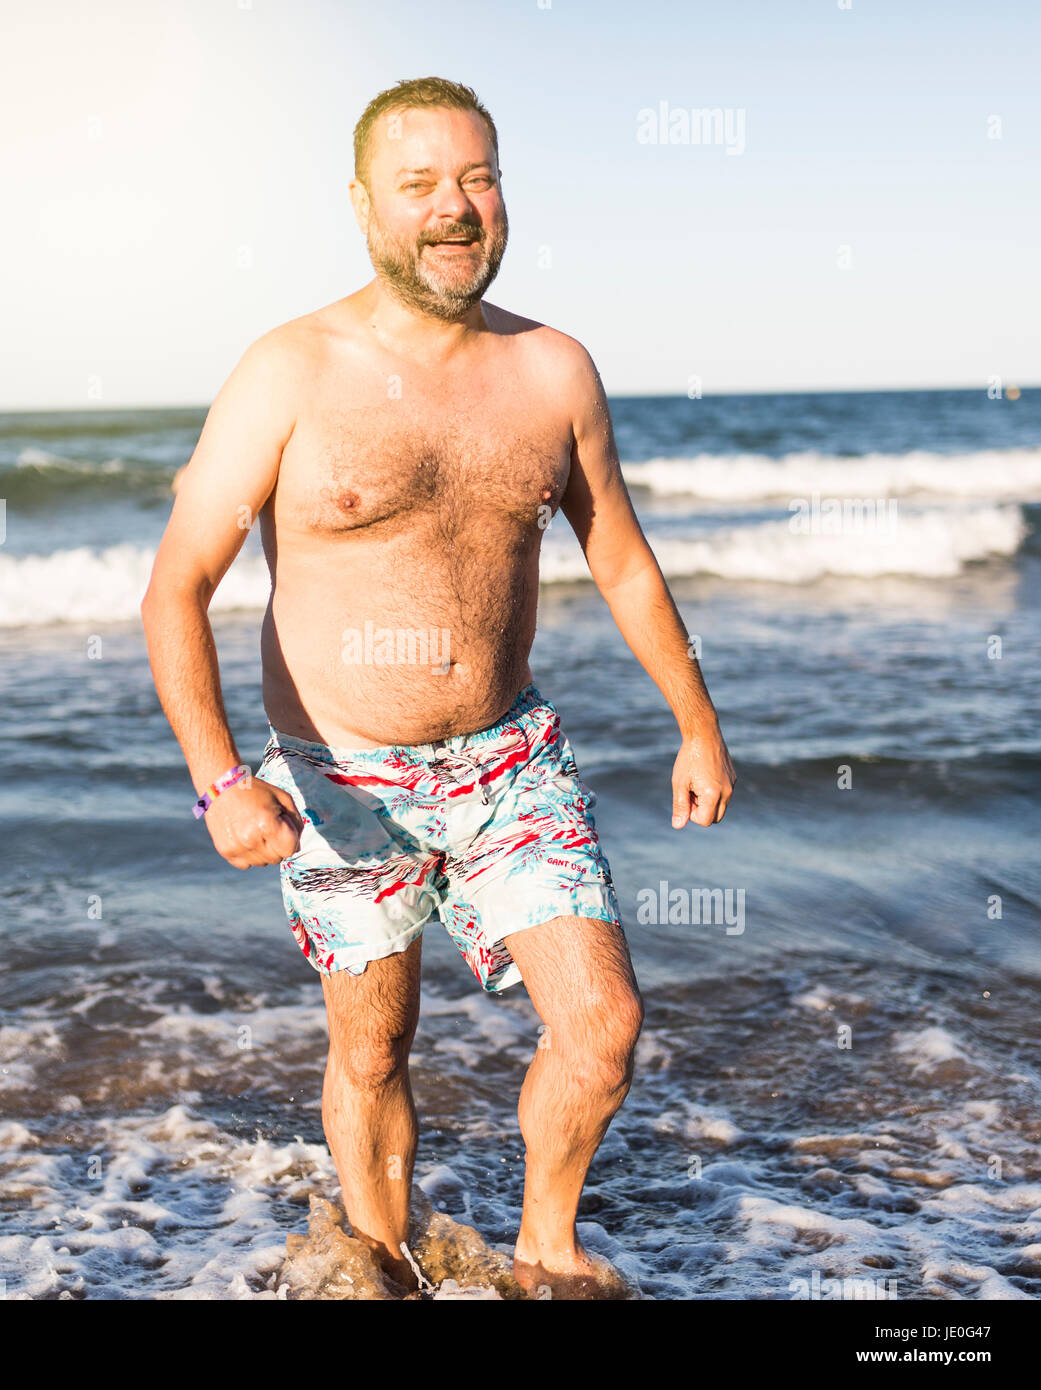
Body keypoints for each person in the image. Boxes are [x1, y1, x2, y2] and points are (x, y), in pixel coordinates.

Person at [141, 75, 735, 1298]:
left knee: (602, 1028)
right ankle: (381, 1257)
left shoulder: (552, 370)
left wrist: (696, 722)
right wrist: (217, 785)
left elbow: (617, 558)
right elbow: (173, 588)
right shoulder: (288, 371)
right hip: (340, 775)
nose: (454, 209)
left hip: (508, 758)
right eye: (419, 184)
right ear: (363, 203)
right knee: (371, 1046)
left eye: (476, 178)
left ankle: (544, 1254)